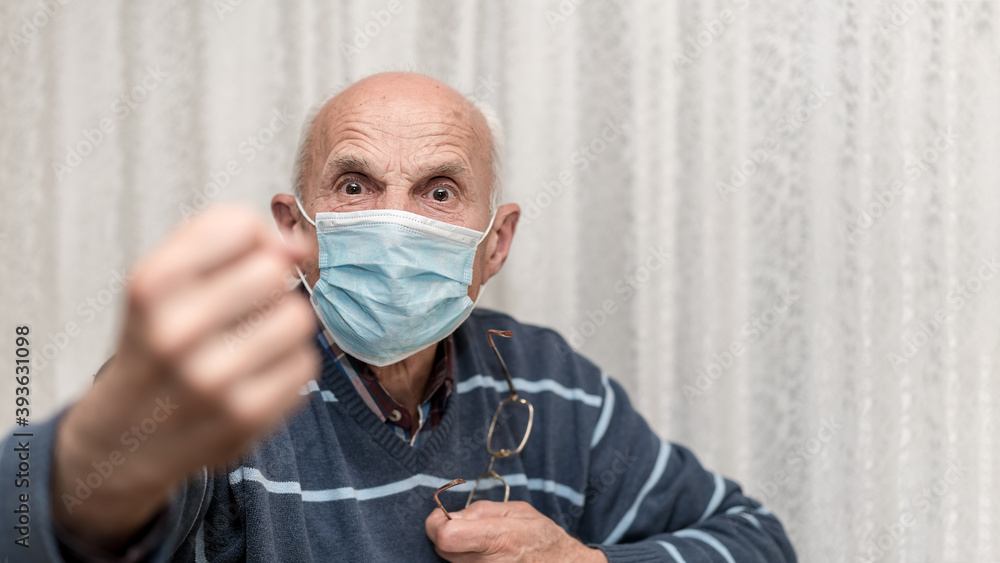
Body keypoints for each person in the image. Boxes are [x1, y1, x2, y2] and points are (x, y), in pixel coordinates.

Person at [1, 72, 796, 562]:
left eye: (439, 192)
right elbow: (31, 532)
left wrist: (582, 562)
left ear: (497, 242)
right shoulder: (224, 380)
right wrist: (91, 470)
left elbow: (755, 538)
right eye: (354, 186)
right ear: (295, 228)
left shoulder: (555, 384)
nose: (395, 224)